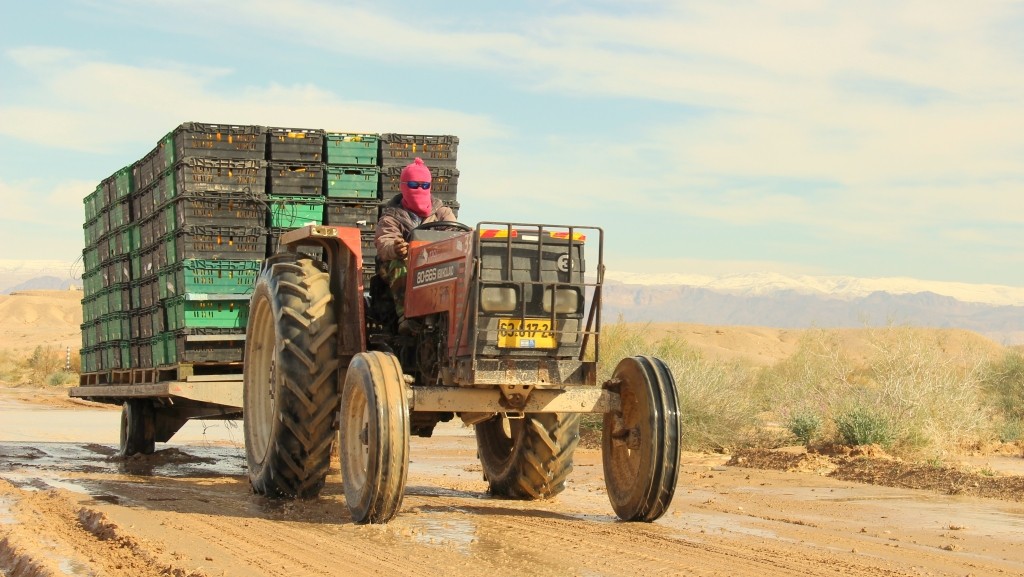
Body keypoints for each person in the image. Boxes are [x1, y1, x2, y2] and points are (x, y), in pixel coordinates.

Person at [374, 157, 456, 332]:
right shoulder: (391, 216)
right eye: (414, 185)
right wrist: (396, 248)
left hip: (436, 261)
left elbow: (455, 235)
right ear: (403, 186)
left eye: (425, 186)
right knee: (399, 264)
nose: (420, 189)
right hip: (404, 262)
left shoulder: (442, 212)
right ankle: (406, 316)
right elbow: (384, 242)